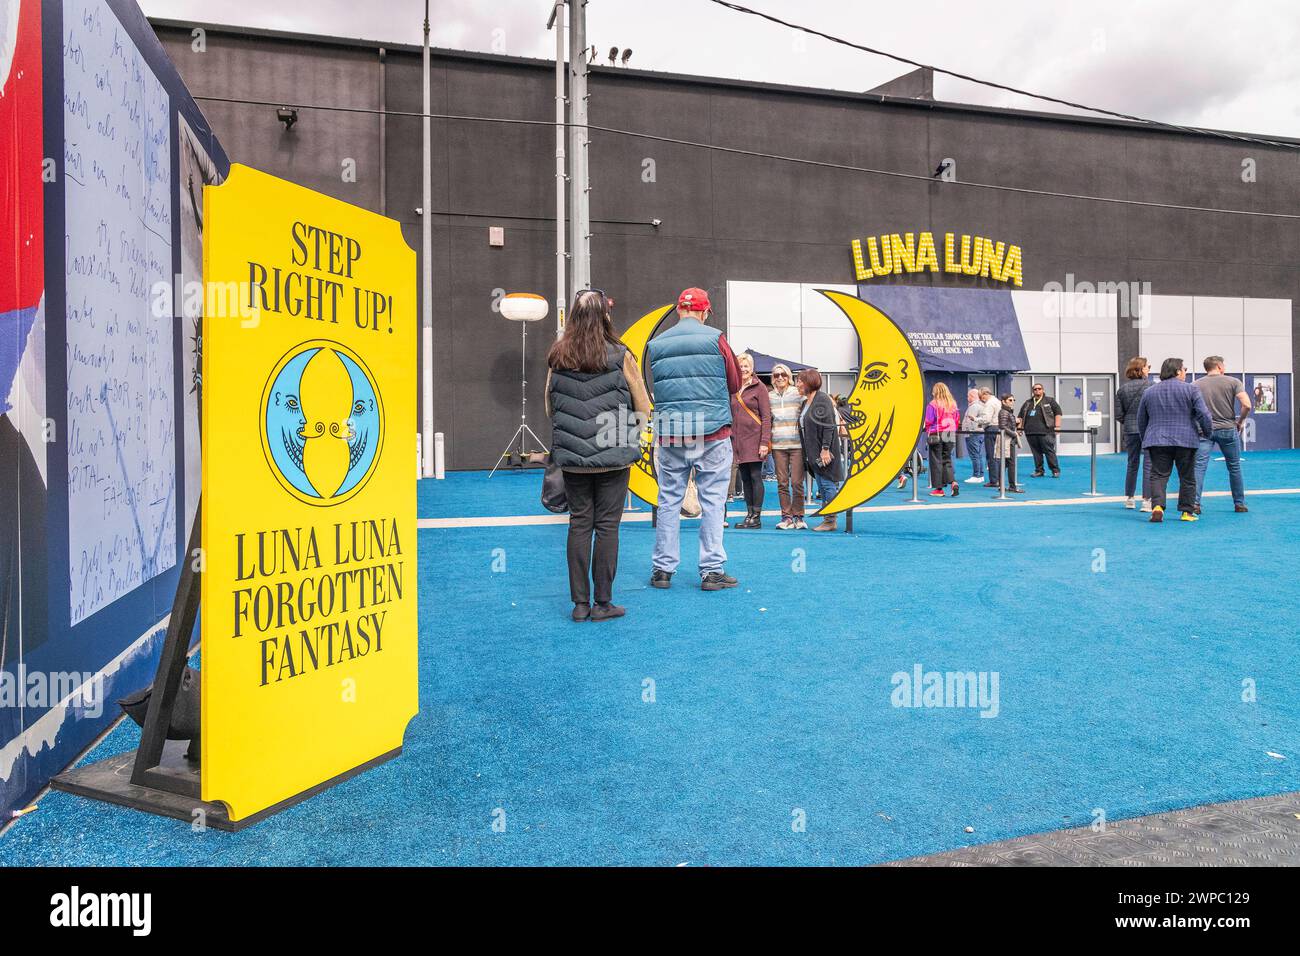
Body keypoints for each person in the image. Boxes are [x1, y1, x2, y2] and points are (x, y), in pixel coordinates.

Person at [546, 289, 650, 621]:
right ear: (606, 316)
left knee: (579, 524)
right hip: (614, 453)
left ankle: (579, 604)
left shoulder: (557, 356)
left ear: (573, 319)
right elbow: (644, 406)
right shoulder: (621, 356)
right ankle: (603, 603)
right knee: (607, 526)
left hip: (573, 458)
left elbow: (549, 407)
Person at [646, 287, 740, 591]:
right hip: (712, 432)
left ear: (678, 311)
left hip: (672, 432)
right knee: (713, 502)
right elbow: (735, 381)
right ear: (704, 312)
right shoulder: (716, 338)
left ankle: (662, 569)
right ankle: (712, 571)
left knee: (669, 500)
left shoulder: (657, 343)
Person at [1137, 357, 1212, 523]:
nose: (1185, 372)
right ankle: (1186, 512)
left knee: (1158, 475)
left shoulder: (1149, 392)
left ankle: (1157, 507)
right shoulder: (1191, 390)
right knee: (1187, 477)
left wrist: (1146, 439)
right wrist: (1207, 432)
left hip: (1157, 440)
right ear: (1178, 371)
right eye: (1184, 369)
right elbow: (1204, 414)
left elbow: (1141, 419)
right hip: (1186, 440)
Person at [1193, 355, 1251, 515]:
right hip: (1228, 428)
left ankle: (1195, 504)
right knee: (1234, 466)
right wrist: (1241, 421)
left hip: (1204, 430)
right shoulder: (1233, 382)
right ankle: (1239, 504)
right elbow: (1246, 404)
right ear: (1219, 366)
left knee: (1199, 467)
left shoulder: (1195, 384)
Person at [796, 368, 844, 531]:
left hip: (824, 452)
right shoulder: (806, 402)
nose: (797, 384)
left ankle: (831, 520)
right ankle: (828, 518)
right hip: (812, 453)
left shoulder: (822, 399)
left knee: (827, 484)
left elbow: (829, 426)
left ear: (809, 382)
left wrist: (825, 449)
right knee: (822, 485)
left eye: (800, 381)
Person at [730, 352, 773, 529]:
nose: (743, 369)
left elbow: (766, 417)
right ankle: (749, 515)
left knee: (755, 476)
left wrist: (764, 442)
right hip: (737, 440)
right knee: (746, 478)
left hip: (755, 439)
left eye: (746, 366)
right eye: (740, 366)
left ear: (752, 368)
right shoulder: (732, 387)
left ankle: (756, 516)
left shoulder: (759, 387)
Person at [768, 363, 806, 529]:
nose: (780, 377)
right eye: (776, 375)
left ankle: (798, 516)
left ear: (789, 376)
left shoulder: (797, 393)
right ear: (773, 379)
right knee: (782, 482)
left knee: (797, 482)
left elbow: (811, 404)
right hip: (778, 445)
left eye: (783, 374)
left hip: (797, 444)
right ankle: (786, 517)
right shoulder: (769, 396)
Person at [1115, 357, 1155, 511]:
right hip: (1148, 430)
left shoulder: (1122, 389)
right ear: (1141, 369)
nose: (1148, 369)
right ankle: (1146, 500)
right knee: (1148, 465)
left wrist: (1130, 422)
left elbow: (1119, 415)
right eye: (1147, 366)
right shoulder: (1151, 386)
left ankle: (1130, 498)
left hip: (1130, 430)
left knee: (1132, 464)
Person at [923, 382, 960, 497]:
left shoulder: (933, 404)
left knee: (936, 461)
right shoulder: (953, 404)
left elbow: (929, 420)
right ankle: (953, 482)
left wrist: (927, 429)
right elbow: (957, 419)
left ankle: (939, 489)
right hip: (950, 433)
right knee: (947, 459)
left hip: (937, 433)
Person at [1017, 384, 1062, 477]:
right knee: (1036, 453)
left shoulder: (1050, 401)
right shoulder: (1028, 403)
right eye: (1035, 389)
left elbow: (1058, 413)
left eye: (1039, 389)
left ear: (1043, 390)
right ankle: (1039, 471)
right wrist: (1019, 428)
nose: (1037, 390)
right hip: (1030, 432)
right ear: (1033, 391)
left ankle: (1055, 470)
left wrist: (1057, 426)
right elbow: (1020, 416)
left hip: (1046, 431)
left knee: (1049, 451)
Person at [995, 393, 1025, 493]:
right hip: (1006, 440)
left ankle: (1005, 486)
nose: (1012, 402)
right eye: (1010, 400)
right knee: (1008, 463)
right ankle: (1009, 486)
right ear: (1003, 401)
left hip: (1008, 439)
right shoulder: (1004, 412)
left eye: (1013, 400)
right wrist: (1014, 434)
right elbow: (1002, 426)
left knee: (1007, 463)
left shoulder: (1007, 411)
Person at [975, 387, 1001, 487]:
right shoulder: (998, 401)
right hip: (999, 429)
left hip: (991, 429)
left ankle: (994, 480)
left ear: (986, 394)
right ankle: (999, 479)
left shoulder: (989, 403)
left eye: (981, 397)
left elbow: (986, 419)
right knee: (998, 455)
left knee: (991, 456)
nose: (981, 400)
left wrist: (976, 420)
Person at [961, 388, 986, 484]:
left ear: (972, 396)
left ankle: (976, 475)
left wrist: (967, 431)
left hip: (973, 433)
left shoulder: (974, 406)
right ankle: (980, 475)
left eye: (968, 396)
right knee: (978, 455)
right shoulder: (979, 405)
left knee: (975, 455)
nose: (967, 398)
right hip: (978, 433)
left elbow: (970, 420)